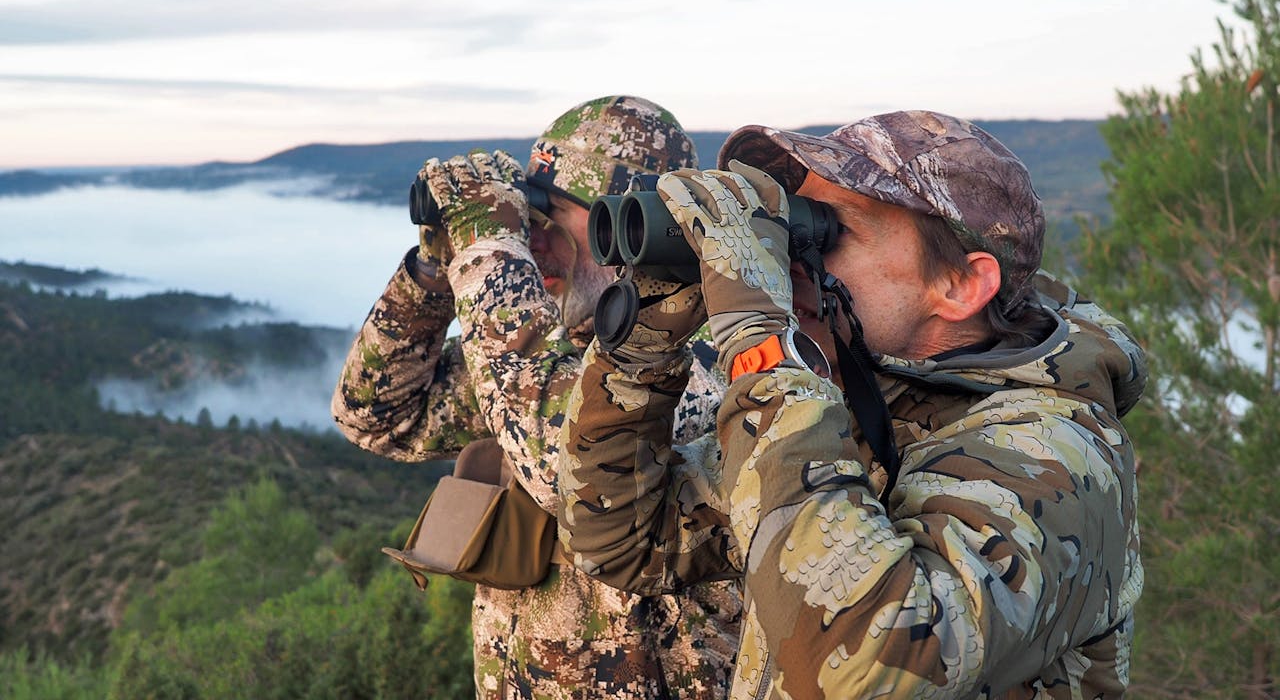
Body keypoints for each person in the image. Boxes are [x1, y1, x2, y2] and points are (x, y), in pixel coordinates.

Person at [557, 110, 1147, 699]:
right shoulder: (861, 409)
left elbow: (866, 665)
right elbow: (624, 538)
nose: (791, 258)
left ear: (960, 286)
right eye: (788, 222)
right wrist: (644, 345)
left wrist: (760, 338)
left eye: (829, 231)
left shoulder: (1055, 455)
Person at [331, 96, 741, 699]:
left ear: (631, 227)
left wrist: (489, 254)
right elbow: (376, 415)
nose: (532, 245)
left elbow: (572, 469)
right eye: (525, 223)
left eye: (548, 223)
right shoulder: (558, 347)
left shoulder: (708, 354)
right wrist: (433, 266)